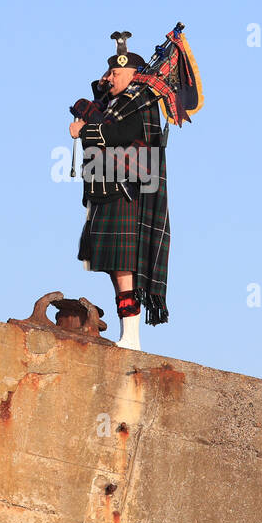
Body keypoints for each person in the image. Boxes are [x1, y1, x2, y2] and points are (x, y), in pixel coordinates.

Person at [70, 42, 171, 350]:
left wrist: (84, 131)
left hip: (125, 190)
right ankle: (129, 334)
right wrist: (102, 88)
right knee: (118, 269)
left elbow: (121, 134)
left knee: (125, 265)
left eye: (115, 72)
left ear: (130, 74)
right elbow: (107, 114)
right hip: (109, 185)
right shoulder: (122, 101)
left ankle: (132, 337)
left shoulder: (138, 103)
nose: (109, 77)